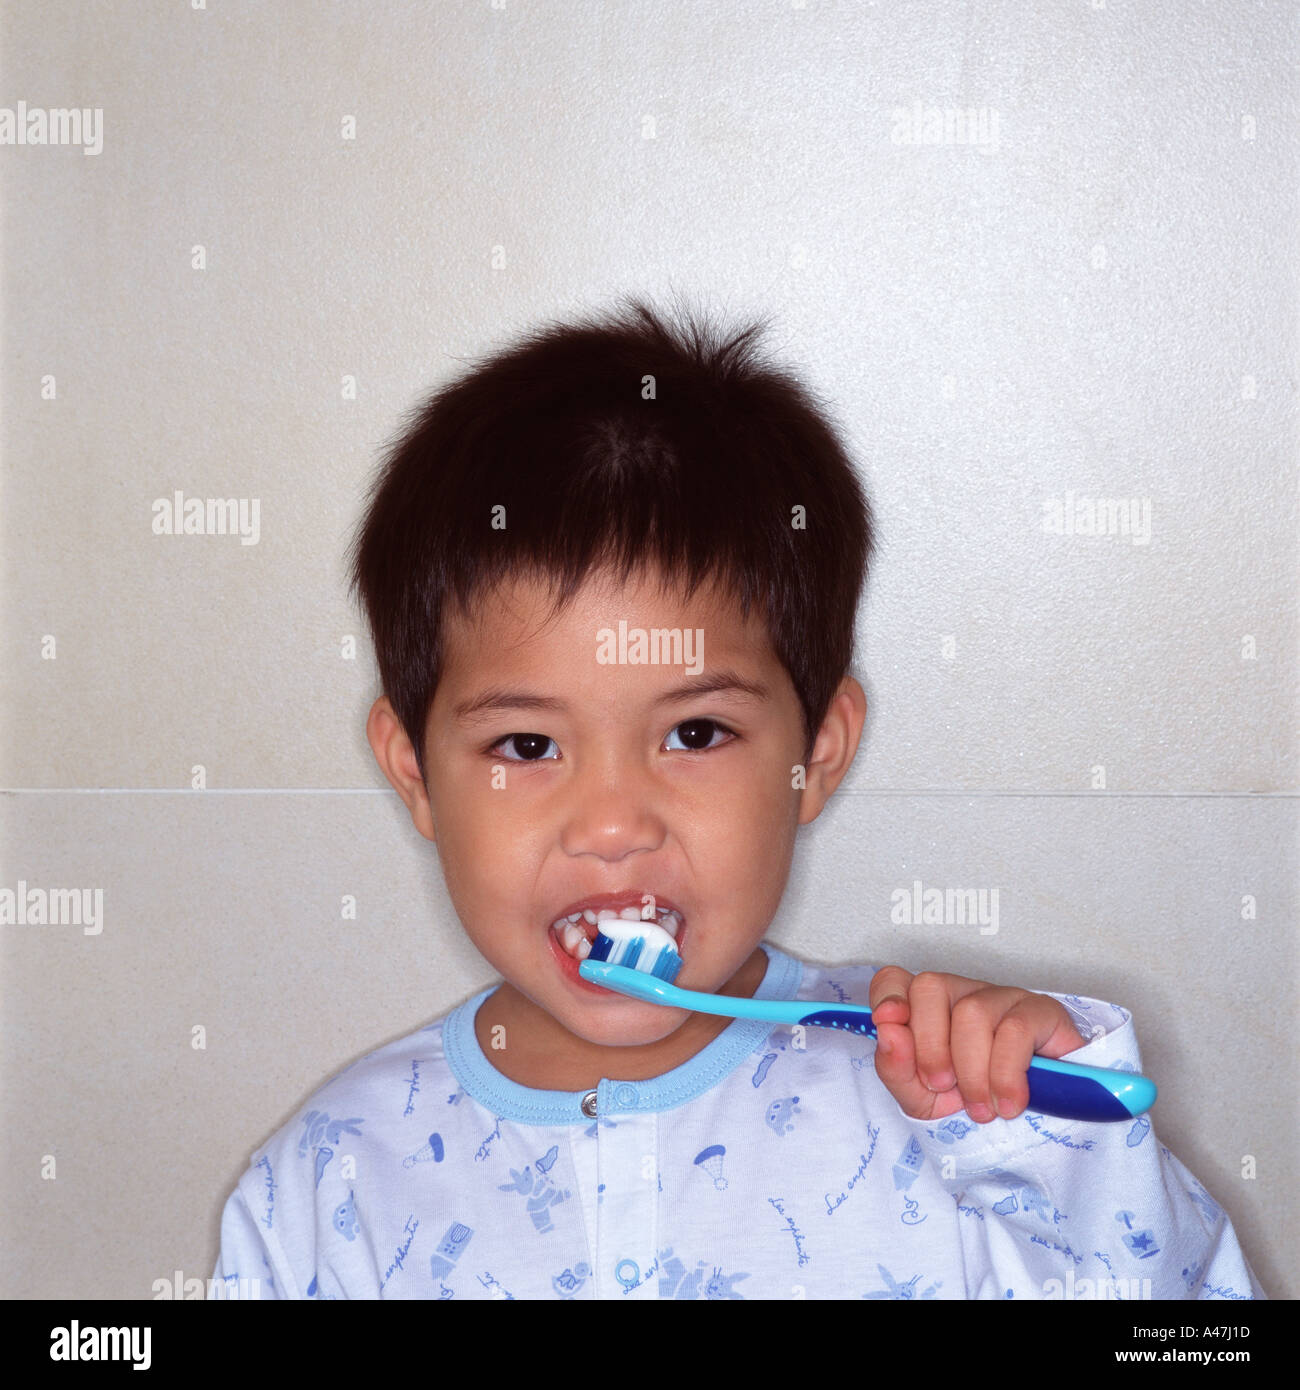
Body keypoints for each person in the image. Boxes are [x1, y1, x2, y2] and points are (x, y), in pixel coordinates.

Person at [210, 298, 1263, 1299]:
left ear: (818, 752)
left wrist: (1059, 1158)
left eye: (695, 733)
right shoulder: (325, 1186)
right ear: (414, 774)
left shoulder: (961, 1120)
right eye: (527, 744)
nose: (613, 823)